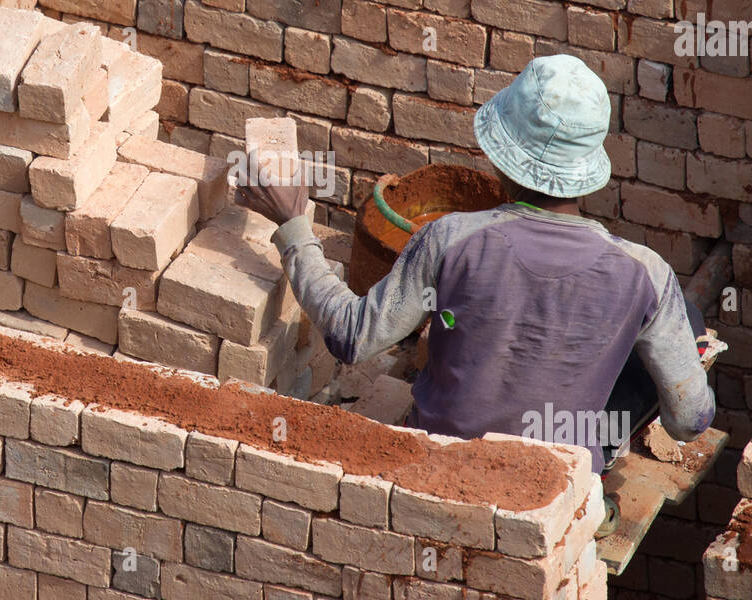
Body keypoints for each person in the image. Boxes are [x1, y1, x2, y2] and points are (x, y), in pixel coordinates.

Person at [239, 53, 716, 535]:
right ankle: (594, 492)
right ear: (587, 168)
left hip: (441, 468)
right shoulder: (645, 273)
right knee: (684, 325)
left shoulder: (450, 239)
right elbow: (690, 421)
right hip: (554, 487)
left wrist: (294, 225)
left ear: (501, 157)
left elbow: (352, 337)